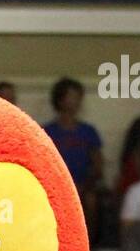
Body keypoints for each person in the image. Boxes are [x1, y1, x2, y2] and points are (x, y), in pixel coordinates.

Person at [41, 77, 103, 237]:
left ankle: (88, 242)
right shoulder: (47, 131)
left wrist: (84, 184)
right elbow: (42, 164)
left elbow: (98, 164)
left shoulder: (88, 131)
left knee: (90, 201)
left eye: (78, 97)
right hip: (55, 186)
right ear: (60, 99)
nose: (75, 101)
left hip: (84, 186)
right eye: (71, 96)